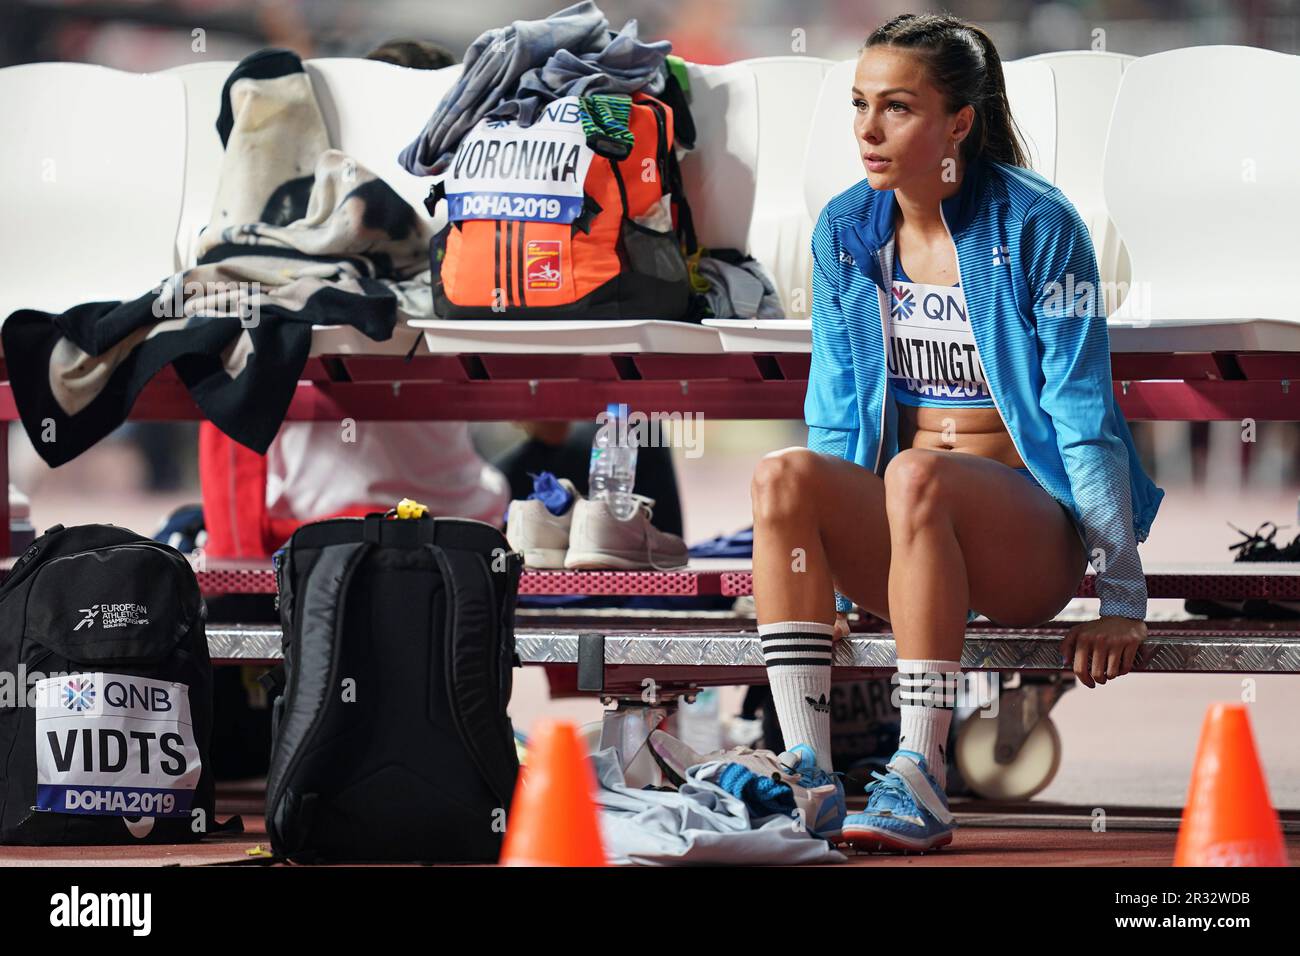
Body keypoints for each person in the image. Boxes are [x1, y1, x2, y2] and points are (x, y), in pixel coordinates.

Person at [749, 12, 1164, 851]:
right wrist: (825, 588)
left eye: (896, 107)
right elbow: (834, 410)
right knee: (781, 477)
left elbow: (1083, 417)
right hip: (904, 544)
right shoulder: (846, 230)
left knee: (915, 474)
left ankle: (921, 772)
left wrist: (1121, 595)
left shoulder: (1038, 226)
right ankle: (811, 774)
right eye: (860, 105)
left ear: (959, 123)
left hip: (1026, 547)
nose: (868, 129)